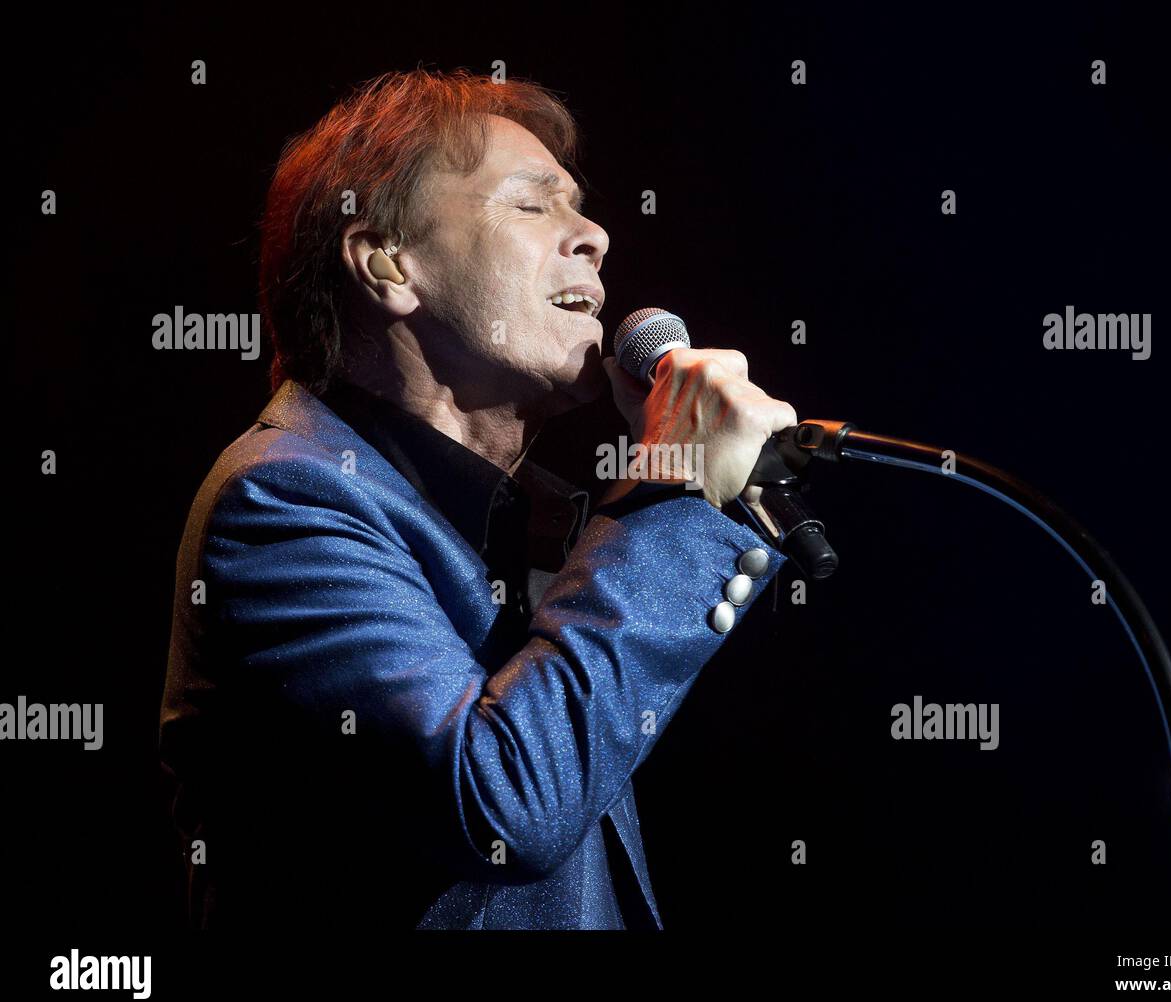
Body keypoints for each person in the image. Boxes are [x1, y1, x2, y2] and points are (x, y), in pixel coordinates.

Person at [158, 69, 797, 930]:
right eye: (533, 207)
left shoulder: (534, 524)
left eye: (580, 207)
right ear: (386, 262)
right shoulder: (283, 499)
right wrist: (672, 485)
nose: (597, 237)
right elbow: (499, 803)